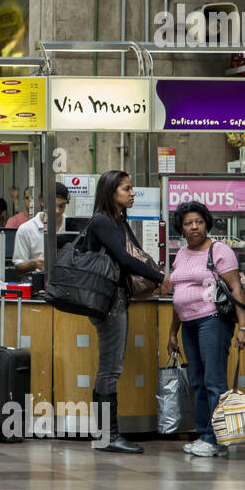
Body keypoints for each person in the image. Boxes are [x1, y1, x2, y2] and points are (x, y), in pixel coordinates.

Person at [85, 170, 171, 453]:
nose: (133, 193)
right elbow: (124, 259)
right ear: (112, 193)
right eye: (127, 189)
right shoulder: (103, 221)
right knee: (111, 367)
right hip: (108, 302)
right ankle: (108, 436)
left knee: (110, 367)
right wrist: (159, 278)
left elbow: (131, 255)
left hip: (114, 299)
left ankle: (105, 435)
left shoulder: (117, 220)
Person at [165, 200, 245, 459]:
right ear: (181, 228)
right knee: (198, 382)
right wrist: (172, 332)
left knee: (214, 382)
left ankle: (216, 439)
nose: (194, 227)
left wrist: (243, 327)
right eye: (188, 223)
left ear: (207, 224)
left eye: (199, 222)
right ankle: (204, 434)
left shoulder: (219, 250)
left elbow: (236, 288)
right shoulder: (180, 254)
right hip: (188, 324)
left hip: (212, 321)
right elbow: (178, 295)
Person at [11, 183, 70, 274]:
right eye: (53, 205)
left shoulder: (71, 227)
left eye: (61, 206)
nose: (57, 210)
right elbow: (19, 266)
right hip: (38, 282)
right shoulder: (26, 229)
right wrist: (34, 264)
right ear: (42, 202)